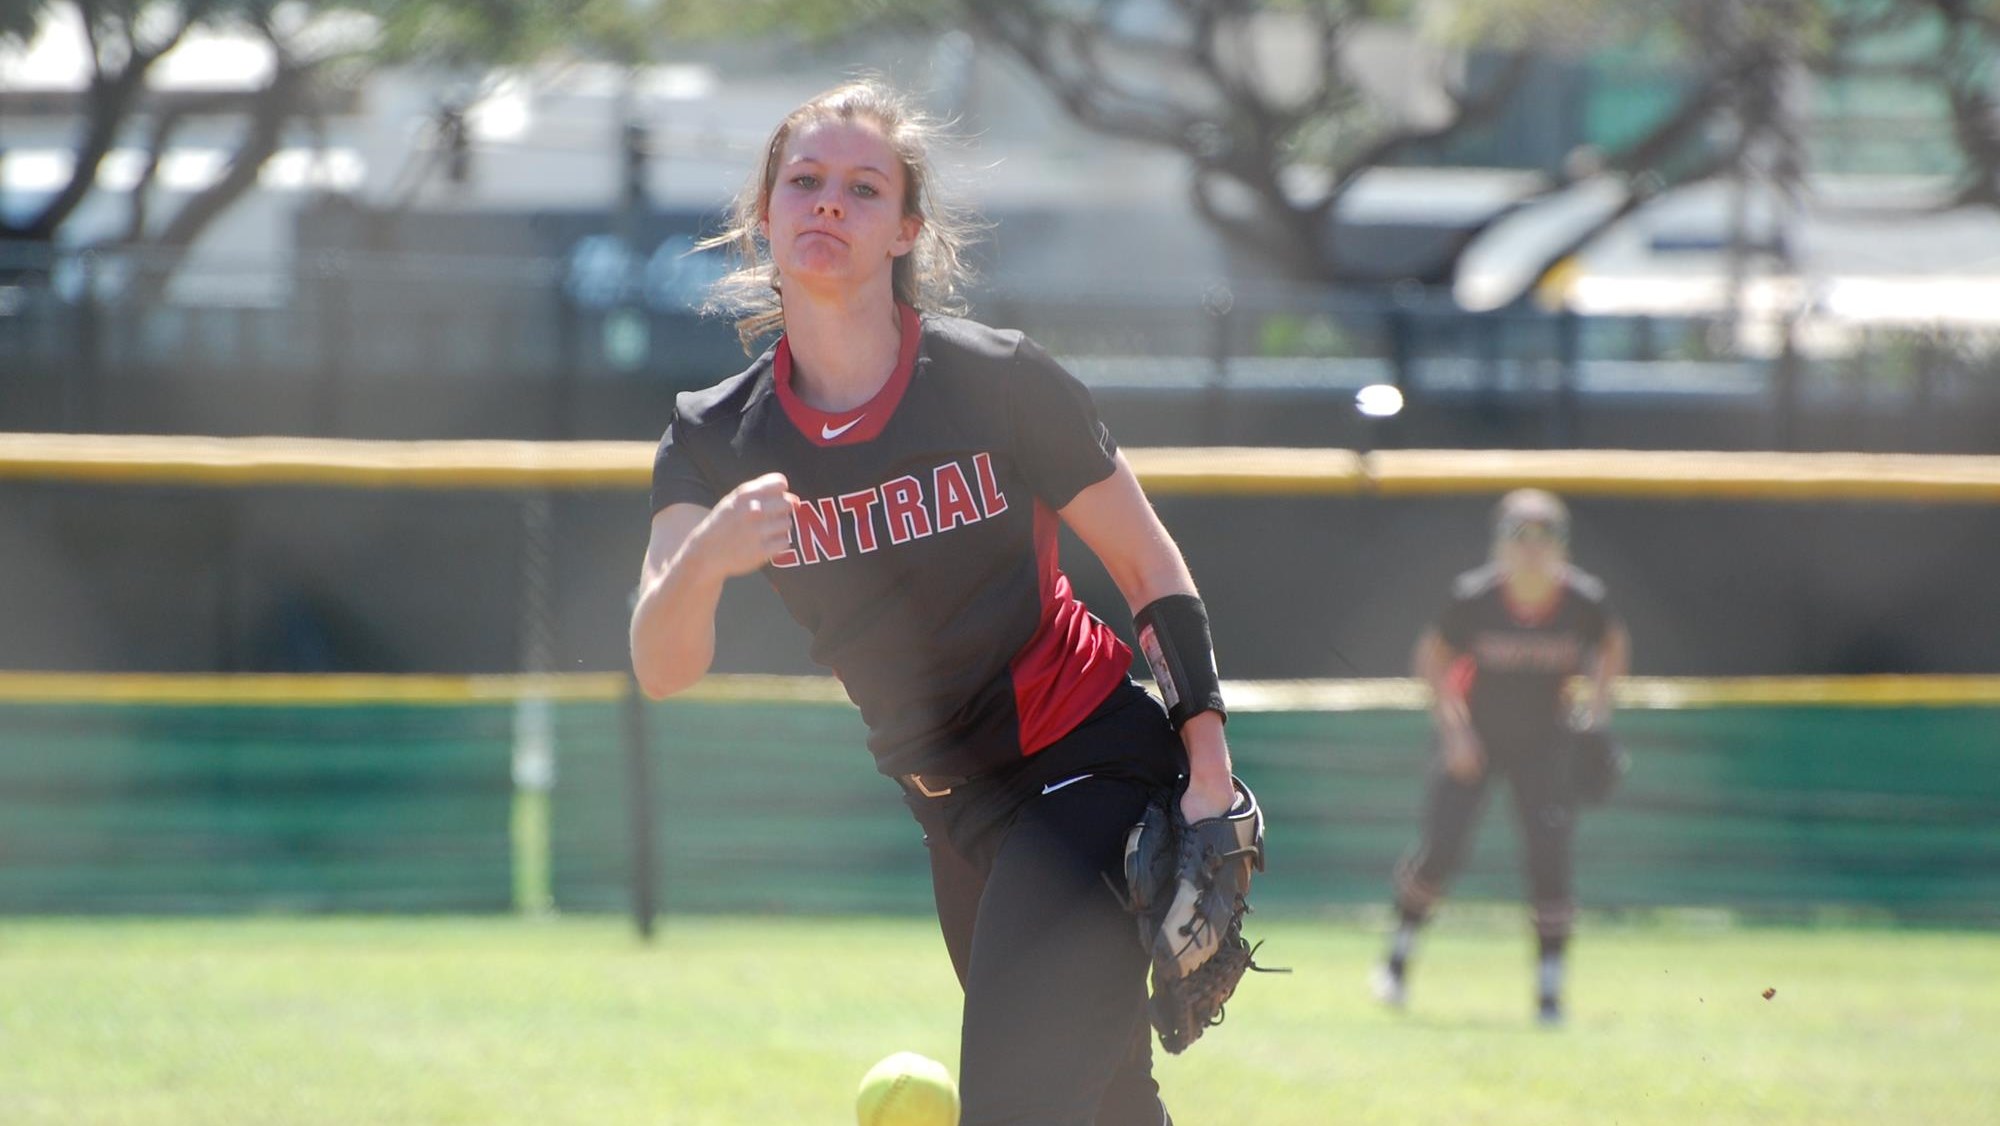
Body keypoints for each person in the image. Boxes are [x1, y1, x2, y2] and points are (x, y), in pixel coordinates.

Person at [628, 77, 1240, 1126]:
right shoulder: (712, 437)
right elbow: (661, 663)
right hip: (956, 812)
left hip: (1086, 763)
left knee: (1013, 1105)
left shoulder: (992, 381)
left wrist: (1207, 780)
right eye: (803, 181)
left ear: (905, 227)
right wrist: (705, 561)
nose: (827, 203)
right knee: (1104, 1105)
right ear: (762, 213)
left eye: (863, 189)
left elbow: (1149, 566)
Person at [1373, 489, 1630, 1026]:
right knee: (1442, 851)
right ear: (1500, 544)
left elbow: (1612, 644)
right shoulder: (1475, 598)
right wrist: (1455, 734)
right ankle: (1396, 962)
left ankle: (1549, 993)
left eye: (1545, 536)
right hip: (1478, 735)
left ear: (1562, 545)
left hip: (1545, 742)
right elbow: (1432, 658)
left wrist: (1597, 715)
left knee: (1549, 858)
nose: (1532, 549)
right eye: (1520, 536)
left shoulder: (1583, 600)